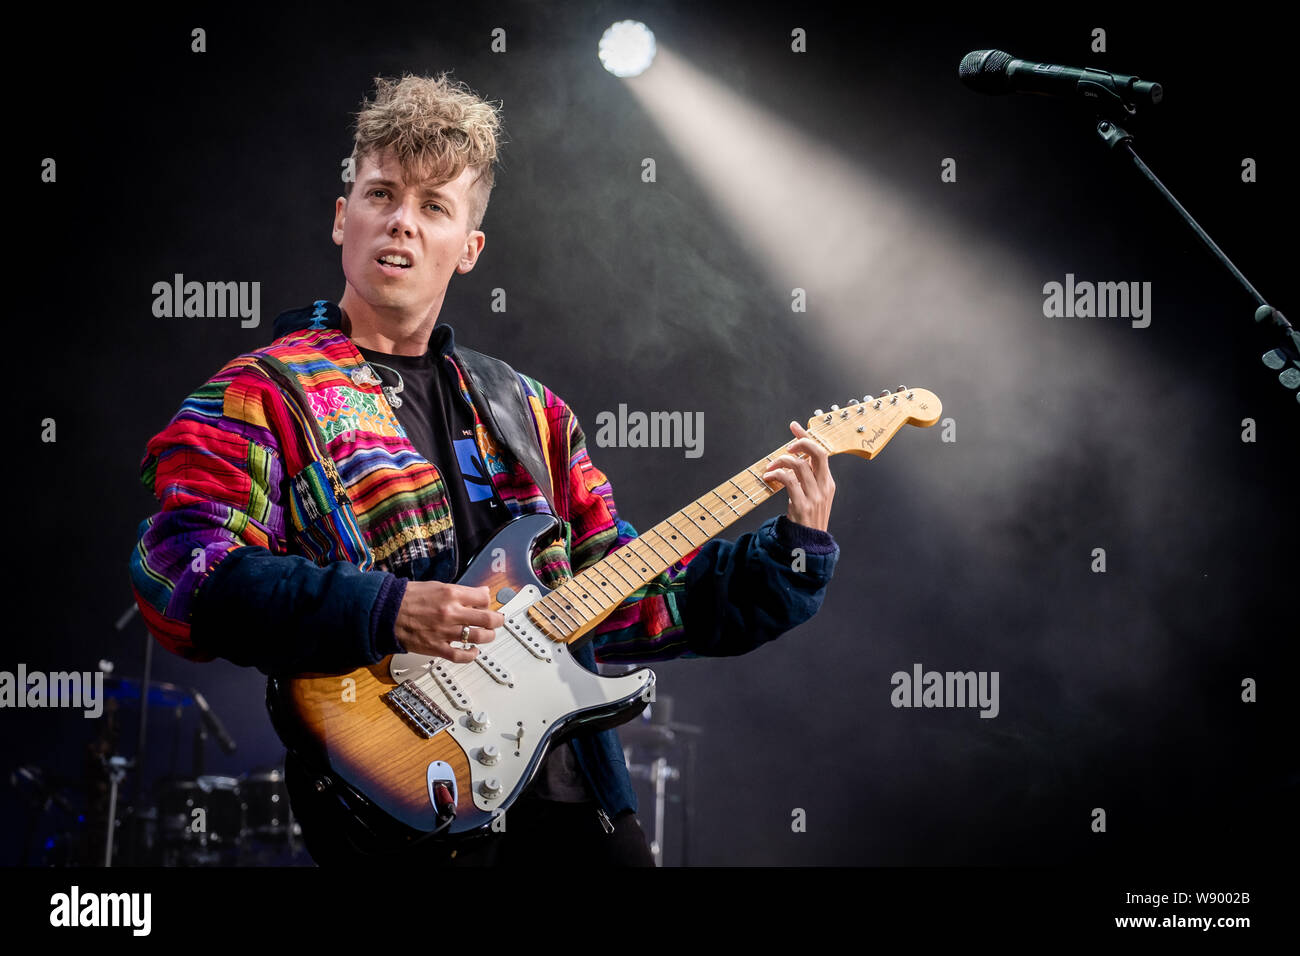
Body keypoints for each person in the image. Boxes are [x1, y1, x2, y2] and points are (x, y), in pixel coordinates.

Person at [129, 72, 840, 866]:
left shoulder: (530, 411)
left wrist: (792, 555)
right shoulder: (261, 394)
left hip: (583, 808)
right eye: (381, 195)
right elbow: (182, 574)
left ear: (468, 249)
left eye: (434, 206)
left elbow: (631, 601)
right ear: (343, 218)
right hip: (405, 805)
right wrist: (386, 607)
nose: (401, 222)